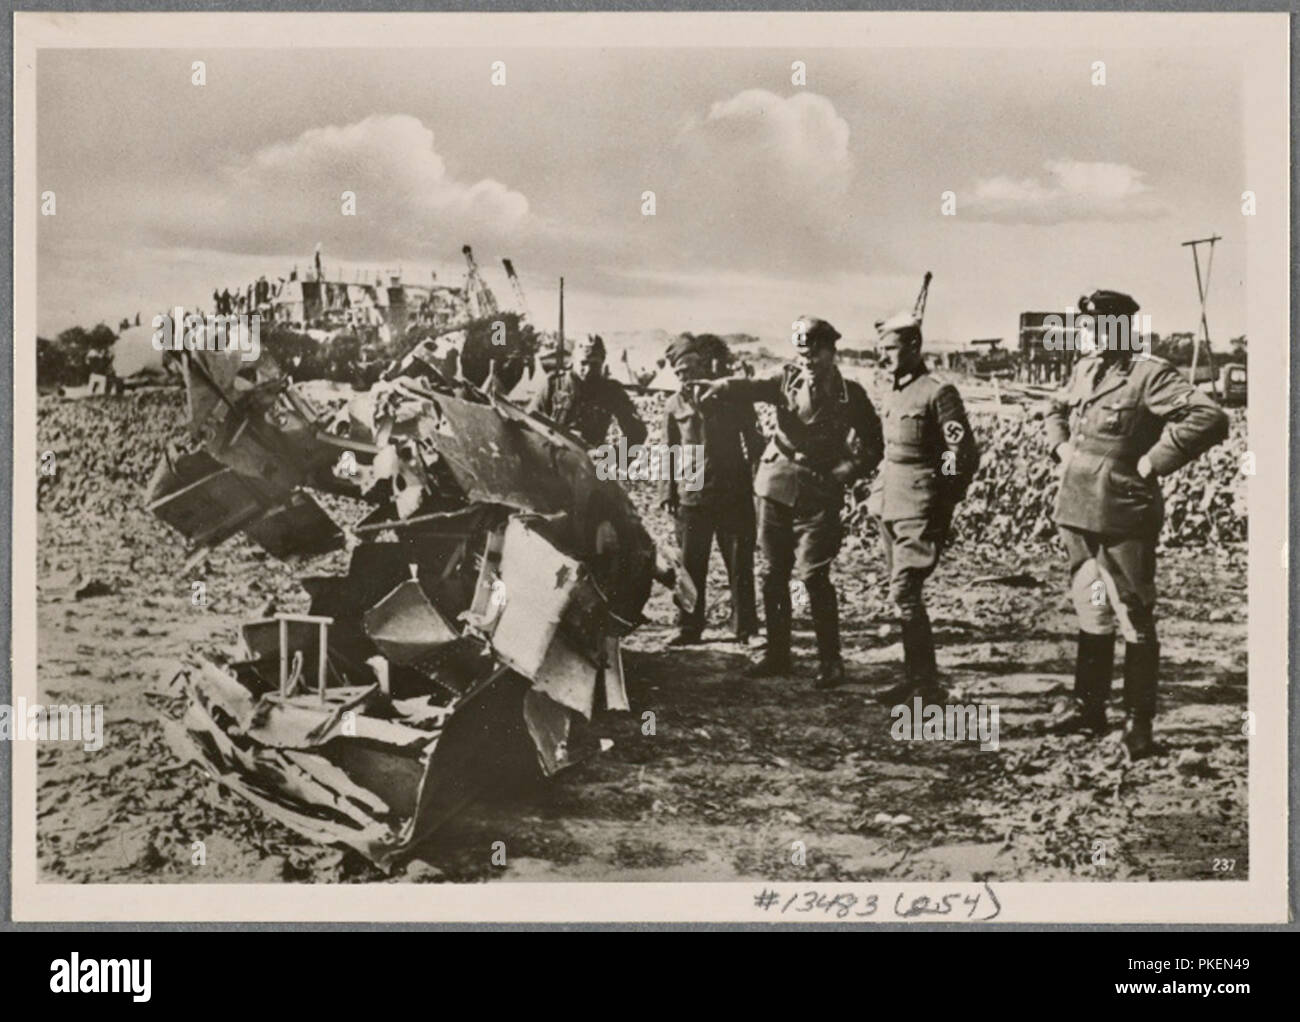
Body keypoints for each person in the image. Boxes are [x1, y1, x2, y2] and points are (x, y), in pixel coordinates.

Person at [1044, 290, 1228, 759]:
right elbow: (1055, 408)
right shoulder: (1085, 369)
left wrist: (1153, 461)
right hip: (1077, 509)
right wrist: (1061, 448)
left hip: (1123, 511)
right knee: (1091, 604)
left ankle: (1137, 724)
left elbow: (1210, 417)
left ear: (1119, 328)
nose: (1086, 334)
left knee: (1132, 614)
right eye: (1085, 326)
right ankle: (1089, 707)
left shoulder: (1150, 374)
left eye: (1095, 326)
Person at [702, 316, 883, 688]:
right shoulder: (786, 380)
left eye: (815, 355)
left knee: (814, 575)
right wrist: (721, 385)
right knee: (773, 573)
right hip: (776, 486)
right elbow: (751, 387)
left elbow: (874, 445)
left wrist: (847, 470)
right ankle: (778, 654)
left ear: (832, 352)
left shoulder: (851, 395)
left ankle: (830, 660)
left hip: (820, 493)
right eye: (803, 356)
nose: (808, 363)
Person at [870, 310, 980, 706]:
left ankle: (926, 684)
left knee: (905, 591)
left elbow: (960, 452)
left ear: (914, 347)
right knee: (903, 594)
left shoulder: (938, 392)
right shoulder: (893, 389)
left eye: (891, 349)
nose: (883, 356)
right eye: (881, 349)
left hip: (920, 504)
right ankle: (914, 678)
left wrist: (943, 497)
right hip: (889, 501)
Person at [660, 334, 761, 646]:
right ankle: (688, 627)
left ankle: (745, 628)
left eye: (691, 369)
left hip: (733, 489)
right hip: (692, 490)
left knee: (740, 563)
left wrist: (758, 483)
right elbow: (669, 450)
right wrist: (667, 493)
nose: (686, 376)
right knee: (690, 565)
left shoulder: (732, 397)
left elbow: (754, 442)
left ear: (703, 366)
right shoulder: (673, 405)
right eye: (680, 372)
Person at [528, 334, 647, 449]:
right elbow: (530, 421)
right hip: (554, 455)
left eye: (594, 364)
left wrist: (612, 456)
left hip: (590, 459)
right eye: (583, 363)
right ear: (573, 360)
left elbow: (637, 432)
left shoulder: (611, 391)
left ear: (603, 361)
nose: (588, 369)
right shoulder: (553, 384)